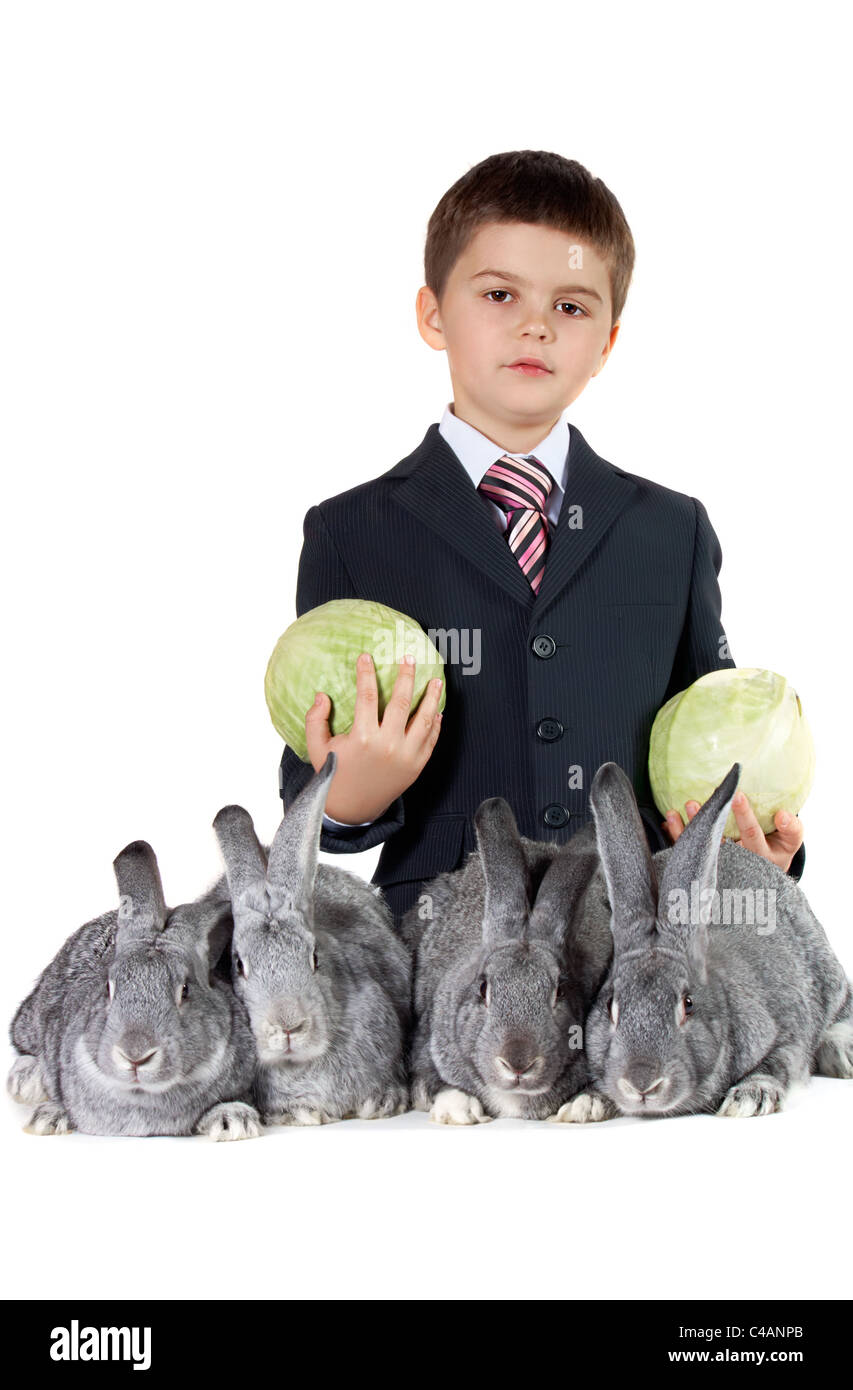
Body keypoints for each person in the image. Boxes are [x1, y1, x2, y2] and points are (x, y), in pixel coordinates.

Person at [278, 150, 805, 929]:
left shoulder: (670, 529)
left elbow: (712, 727)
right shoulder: (350, 529)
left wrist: (757, 858)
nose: (534, 325)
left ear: (606, 345)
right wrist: (351, 797)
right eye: (498, 294)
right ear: (432, 314)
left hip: (633, 941)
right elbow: (309, 784)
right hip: (439, 948)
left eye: (570, 307)